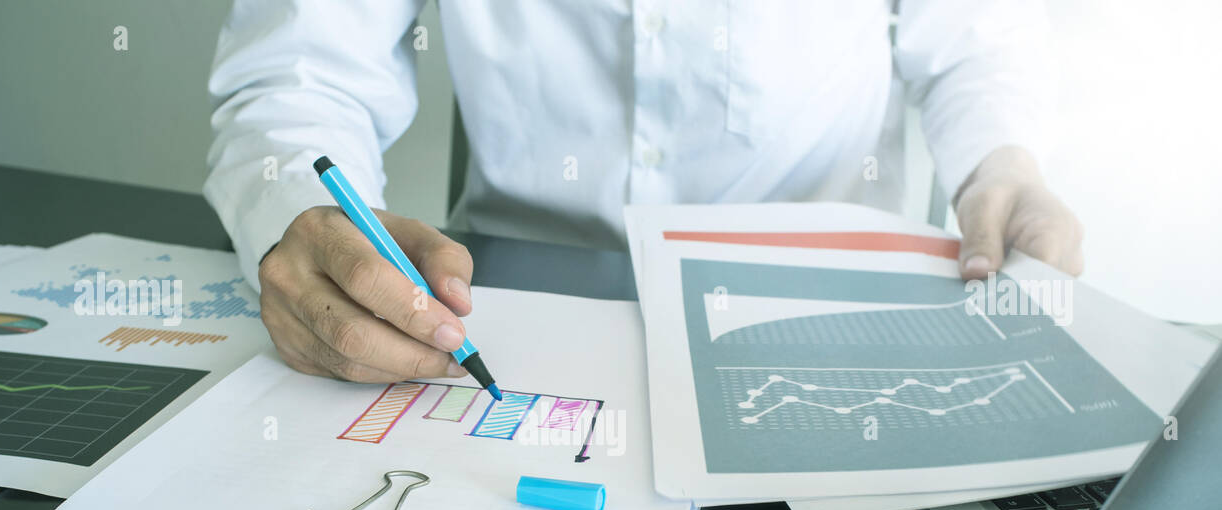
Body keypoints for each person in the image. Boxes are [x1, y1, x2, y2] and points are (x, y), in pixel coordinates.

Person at [205, 0, 1083, 384]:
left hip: (824, 327)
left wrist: (1000, 166)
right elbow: (301, 73)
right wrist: (299, 221)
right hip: (506, 309)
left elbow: (977, 38)